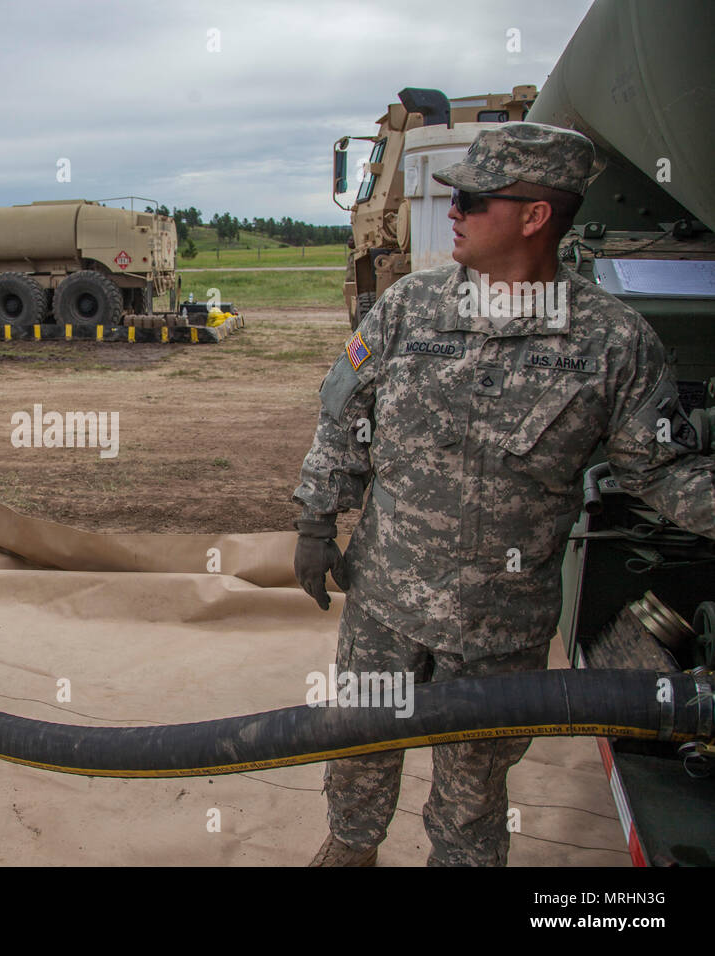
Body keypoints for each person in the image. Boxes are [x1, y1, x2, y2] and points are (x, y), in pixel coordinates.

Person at [291, 122, 715, 866]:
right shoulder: (408, 310)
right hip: (386, 602)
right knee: (358, 749)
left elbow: (659, 470)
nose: (452, 210)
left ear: (534, 215)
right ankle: (349, 850)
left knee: (474, 793)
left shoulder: (614, 343)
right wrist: (316, 518)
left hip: (499, 630)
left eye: (474, 198)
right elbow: (344, 421)